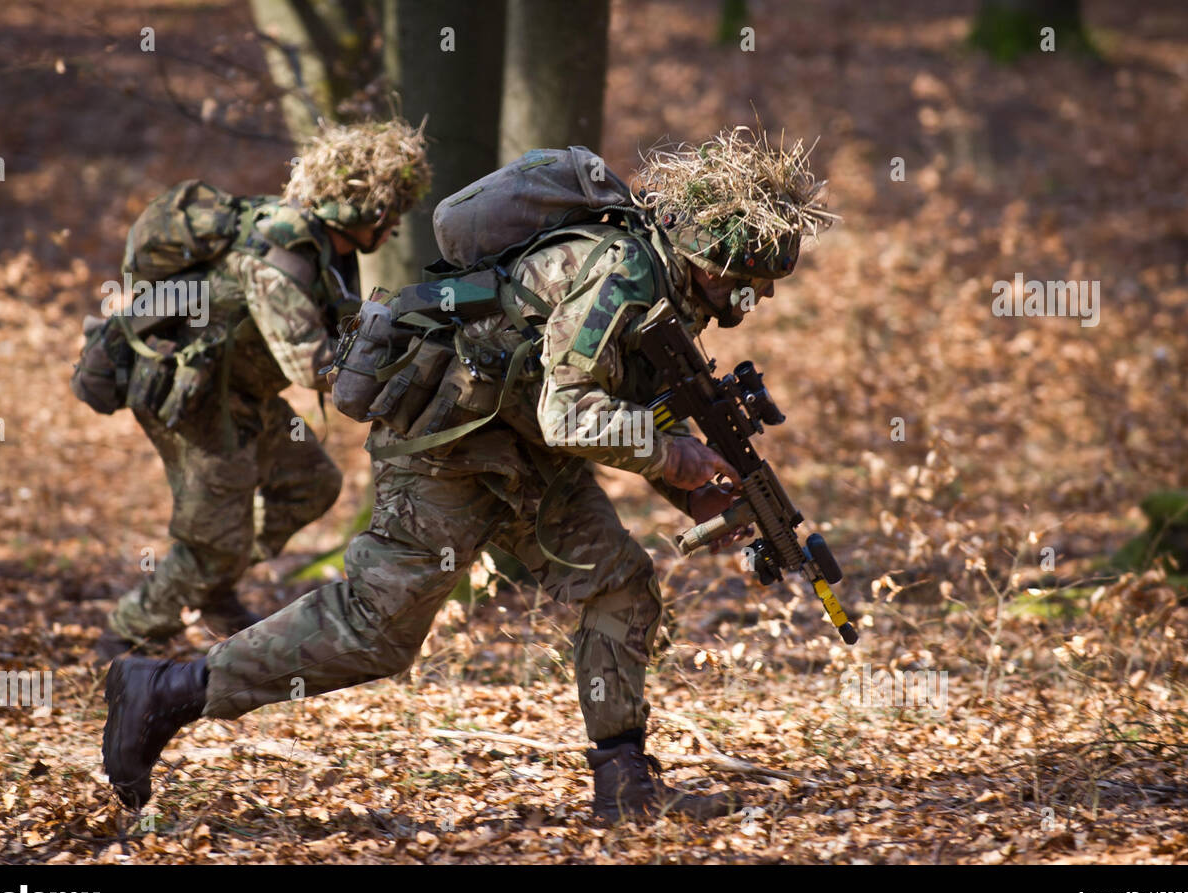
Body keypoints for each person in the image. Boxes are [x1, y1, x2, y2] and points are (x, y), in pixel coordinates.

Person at [102, 125, 835, 824]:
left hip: (524, 455)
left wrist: (692, 487)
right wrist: (674, 457)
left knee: (617, 583)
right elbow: (571, 412)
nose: (758, 297)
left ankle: (623, 780)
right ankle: (164, 688)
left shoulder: (662, 284)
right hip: (448, 443)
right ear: (714, 258)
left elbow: (622, 407)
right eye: (752, 279)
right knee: (377, 630)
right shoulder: (620, 275)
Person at [98, 121, 431, 658]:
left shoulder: (328, 249)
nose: (393, 227)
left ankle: (213, 585)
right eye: (389, 213)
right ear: (360, 209)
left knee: (311, 484)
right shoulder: (282, 255)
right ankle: (128, 633)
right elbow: (313, 366)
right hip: (190, 397)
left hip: (240, 390)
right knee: (215, 538)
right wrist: (403, 384)